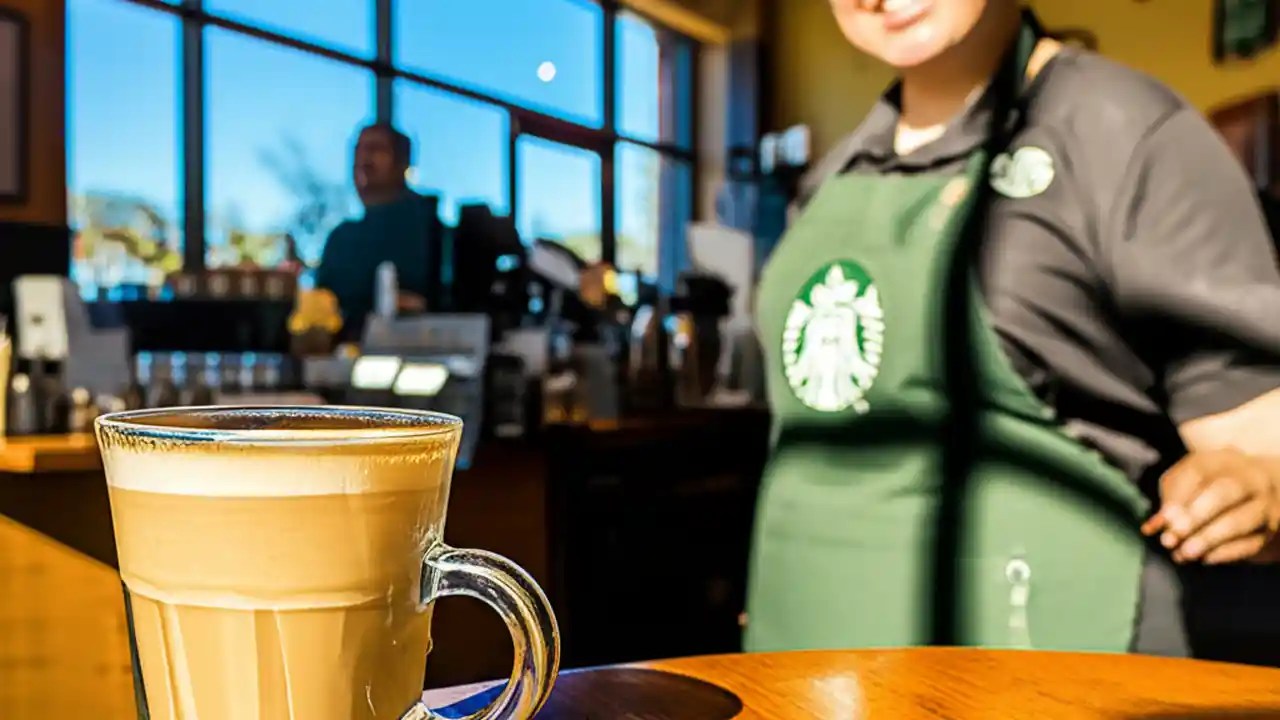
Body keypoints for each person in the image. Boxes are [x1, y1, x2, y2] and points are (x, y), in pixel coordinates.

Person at [745, 0, 1280, 662]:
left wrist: (1256, 484)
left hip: (1040, 670)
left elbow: (1260, 445)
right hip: (797, 665)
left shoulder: (1127, 133)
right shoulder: (830, 180)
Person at [315, 123, 434, 341]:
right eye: (358, 151)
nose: (363, 160)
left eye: (375, 149)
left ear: (403, 162)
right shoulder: (341, 239)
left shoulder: (431, 233)